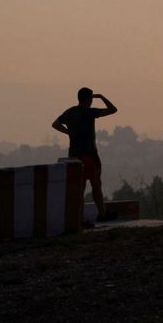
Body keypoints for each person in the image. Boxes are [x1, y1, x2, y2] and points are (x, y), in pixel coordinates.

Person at [51, 87, 118, 223]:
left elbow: (55, 124)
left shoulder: (69, 112)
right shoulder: (87, 112)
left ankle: (79, 219)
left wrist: (69, 133)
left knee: (79, 189)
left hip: (73, 155)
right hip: (88, 154)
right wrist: (102, 97)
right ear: (89, 99)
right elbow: (113, 109)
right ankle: (102, 214)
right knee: (96, 185)